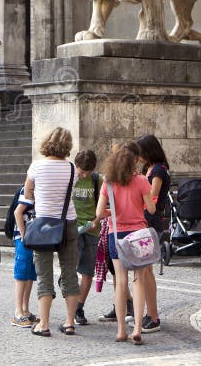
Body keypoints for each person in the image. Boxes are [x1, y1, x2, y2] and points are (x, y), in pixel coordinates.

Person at [96, 142, 156, 344]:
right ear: (136, 161)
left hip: (116, 235)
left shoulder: (108, 182)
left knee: (120, 282)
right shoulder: (141, 181)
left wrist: (110, 212)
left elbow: (99, 213)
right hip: (138, 235)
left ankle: (121, 330)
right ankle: (137, 328)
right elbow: (151, 209)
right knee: (138, 280)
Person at [24, 127, 80, 337]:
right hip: (68, 223)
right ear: (68, 146)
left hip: (43, 225)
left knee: (44, 274)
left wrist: (39, 197)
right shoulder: (72, 168)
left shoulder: (36, 167)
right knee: (69, 272)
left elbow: (28, 192)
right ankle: (69, 322)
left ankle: (44, 323)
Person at [136, 134, 171, 334]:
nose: (139, 156)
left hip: (151, 222)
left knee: (147, 271)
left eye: (141, 152)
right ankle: (149, 313)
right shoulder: (149, 168)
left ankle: (153, 315)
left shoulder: (158, 170)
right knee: (144, 271)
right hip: (144, 221)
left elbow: (153, 198)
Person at [71, 149, 101, 326]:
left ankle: (79, 308)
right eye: (80, 171)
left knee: (88, 272)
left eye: (86, 172)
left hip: (91, 230)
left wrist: (96, 220)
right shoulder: (71, 178)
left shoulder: (97, 180)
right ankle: (71, 302)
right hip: (73, 228)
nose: (83, 175)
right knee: (71, 267)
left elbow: (103, 205)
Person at [10, 183, 38, 328]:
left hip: (34, 236)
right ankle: (18, 311)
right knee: (22, 271)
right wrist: (23, 235)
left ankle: (25, 309)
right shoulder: (28, 189)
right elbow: (17, 212)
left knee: (30, 273)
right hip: (25, 236)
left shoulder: (40, 188)